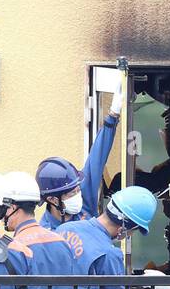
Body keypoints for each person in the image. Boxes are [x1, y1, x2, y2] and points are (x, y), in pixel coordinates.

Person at [36, 80, 125, 230]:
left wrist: (112, 116)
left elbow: (96, 159)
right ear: (52, 199)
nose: (78, 195)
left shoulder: (84, 203)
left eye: (77, 189)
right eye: (72, 193)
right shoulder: (45, 232)